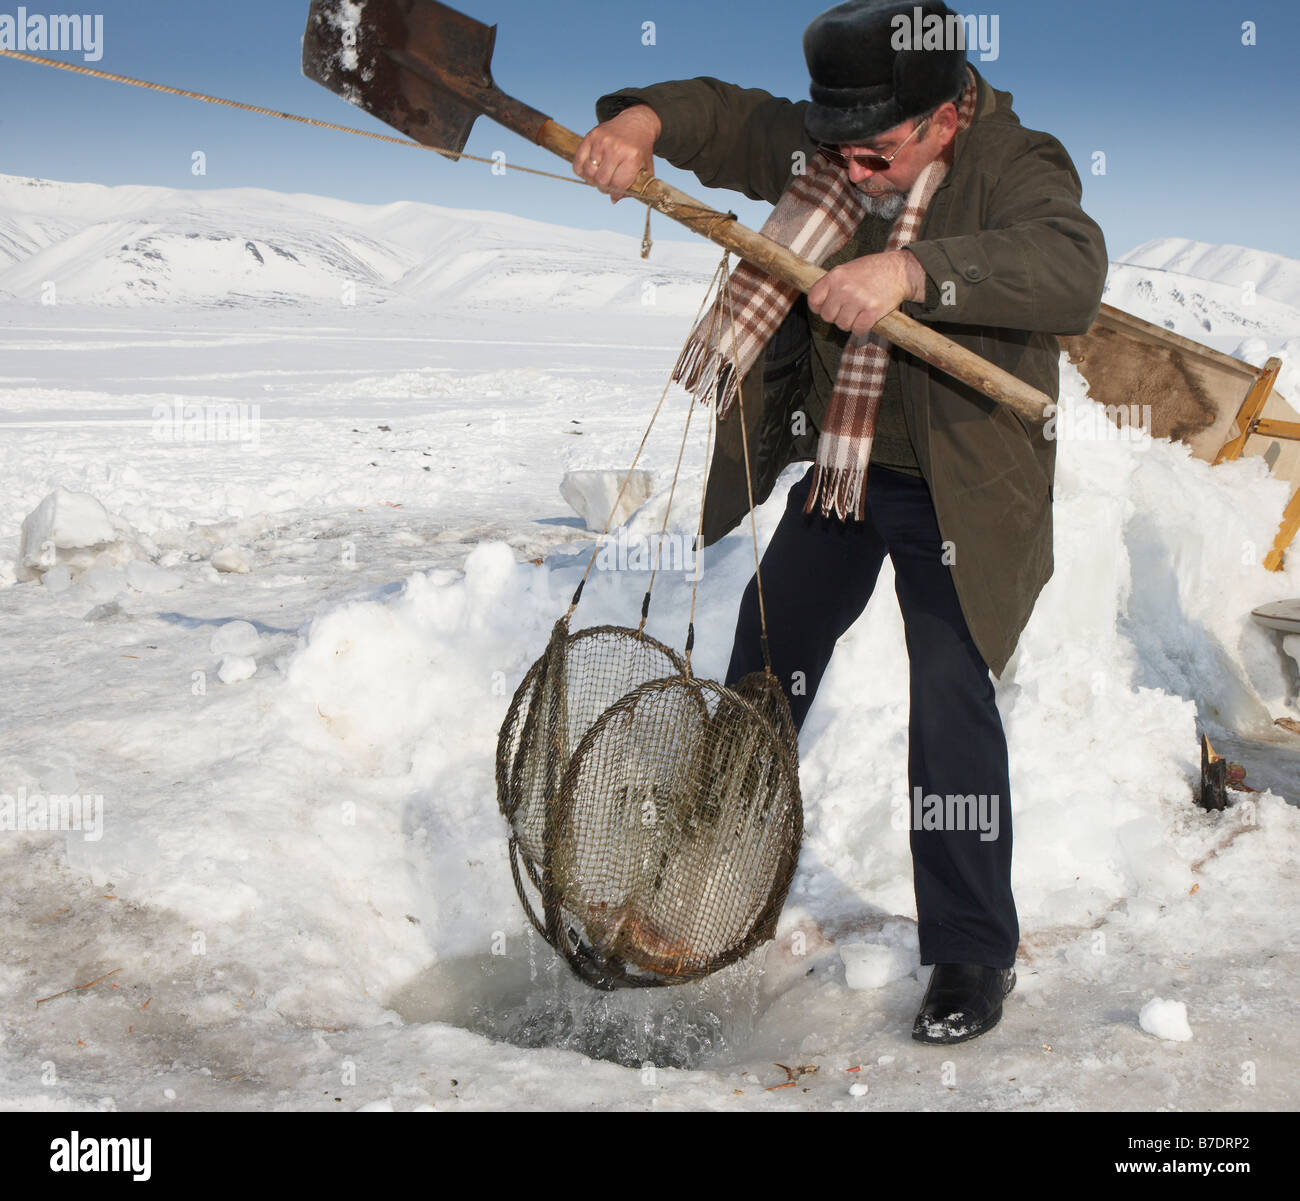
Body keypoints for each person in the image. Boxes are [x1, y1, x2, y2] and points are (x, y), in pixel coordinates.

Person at [572, 0, 1107, 1044]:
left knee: (950, 707)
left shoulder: (1019, 161)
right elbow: (727, 117)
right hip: (845, 472)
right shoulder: (830, 146)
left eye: (873, 157)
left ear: (946, 115)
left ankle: (967, 950)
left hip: (959, 486)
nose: (850, 176)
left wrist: (914, 270)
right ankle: (701, 876)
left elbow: (1068, 264)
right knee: (762, 663)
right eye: (837, 154)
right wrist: (641, 120)